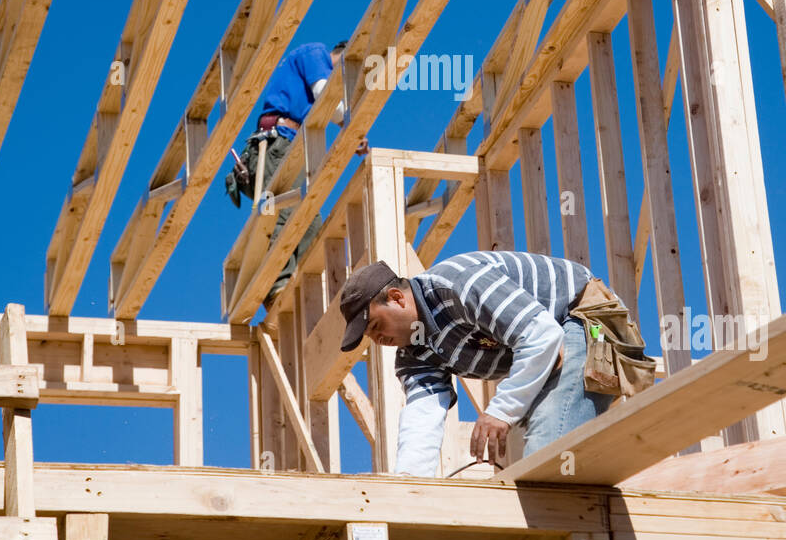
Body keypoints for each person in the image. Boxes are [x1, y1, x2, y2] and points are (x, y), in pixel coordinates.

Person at [338, 250, 620, 473]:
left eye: (375, 325)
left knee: (548, 452)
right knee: (536, 461)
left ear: (397, 298)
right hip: (551, 351)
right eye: (368, 336)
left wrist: (501, 410)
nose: (377, 340)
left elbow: (542, 335)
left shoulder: (457, 284)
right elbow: (422, 417)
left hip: (585, 317)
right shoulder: (414, 353)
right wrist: (409, 484)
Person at [225, 41, 368, 310]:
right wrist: (351, 123)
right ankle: (276, 286)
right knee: (282, 211)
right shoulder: (315, 53)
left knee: (310, 224)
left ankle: (302, 290)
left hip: (291, 148)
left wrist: (350, 130)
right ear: (345, 56)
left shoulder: (317, 64)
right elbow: (325, 94)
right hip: (276, 143)